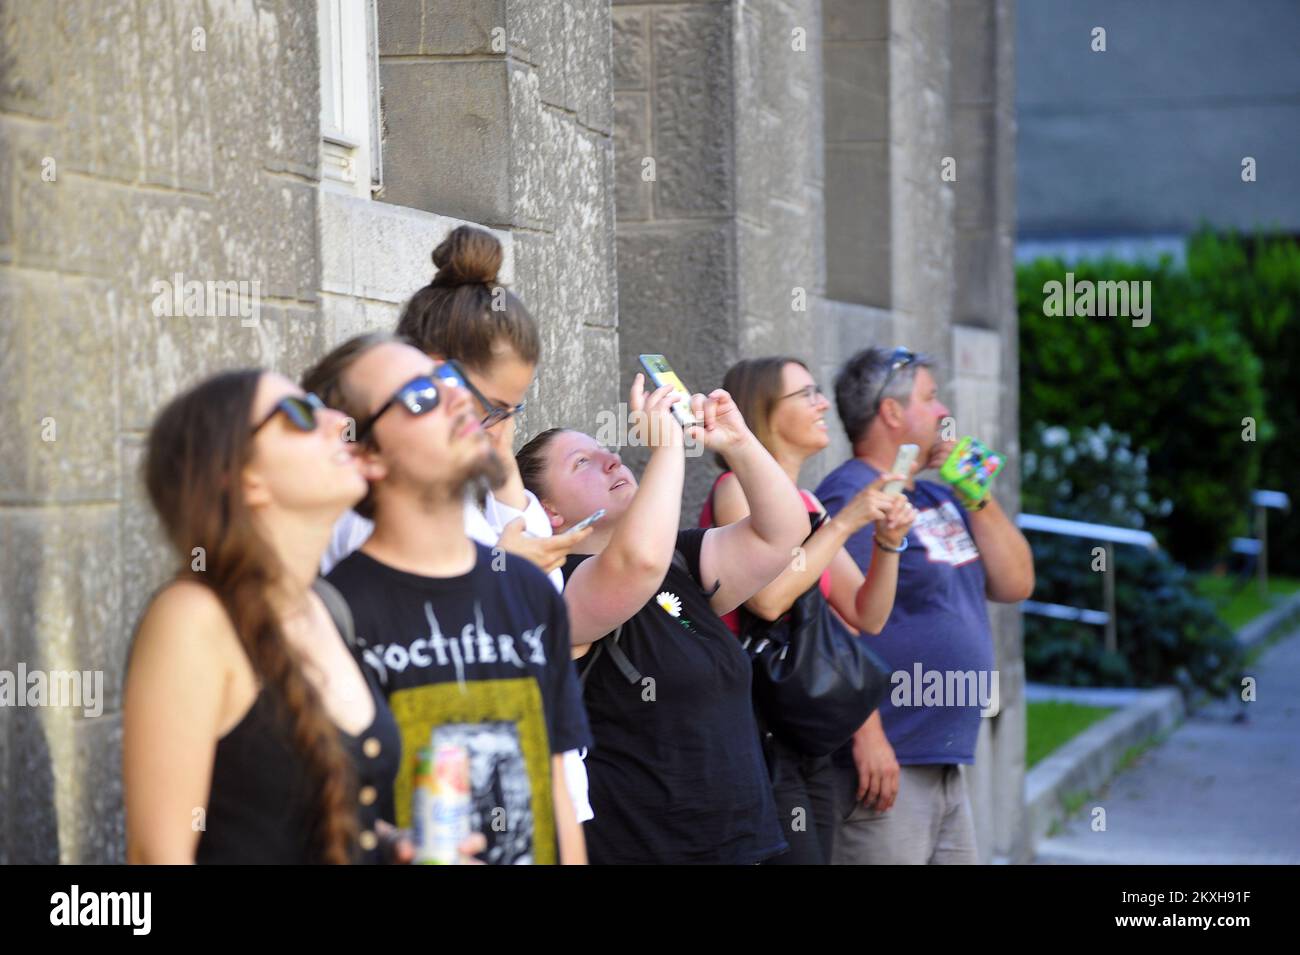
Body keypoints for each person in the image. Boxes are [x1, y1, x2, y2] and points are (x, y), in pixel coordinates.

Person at [317, 225, 595, 826]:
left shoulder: (482, 494)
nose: (493, 427)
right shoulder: (361, 515)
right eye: (490, 406)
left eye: (513, 411)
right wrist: (503, 567)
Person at [515, 376, 810, 863]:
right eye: (582, 463)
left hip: (742, 846)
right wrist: (668, 450)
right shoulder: (555, 588)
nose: (612, 460)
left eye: (607, 450)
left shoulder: (680, 559)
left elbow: (784, 533)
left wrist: (739, 442)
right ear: (549, 512)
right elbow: (635, 565)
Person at [123, 370, 403, 864]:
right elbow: (158, 856)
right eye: (299, 414)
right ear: (242, 478)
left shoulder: (325, 607)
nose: (340, 421)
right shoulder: (193, 619)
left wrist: (397, 848)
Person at [814, 347, 1034, 865]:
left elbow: (1016, 582)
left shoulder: (939, 498)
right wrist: (866, 735)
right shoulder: (852, 497)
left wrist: (974, 492)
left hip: (943, 758)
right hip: (885, 760)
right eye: (931, 399)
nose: (943, 414)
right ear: (891, 412)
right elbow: (830, 619)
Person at [700, 356, 917, 864]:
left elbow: (869, 614)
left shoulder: (807, 505)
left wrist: (888, 543)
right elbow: (768, 599)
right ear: (763, 413)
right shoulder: (735, 489)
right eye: (807, 394)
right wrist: (845, 522)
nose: (823, 405)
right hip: (755, 729)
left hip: (801, 732)